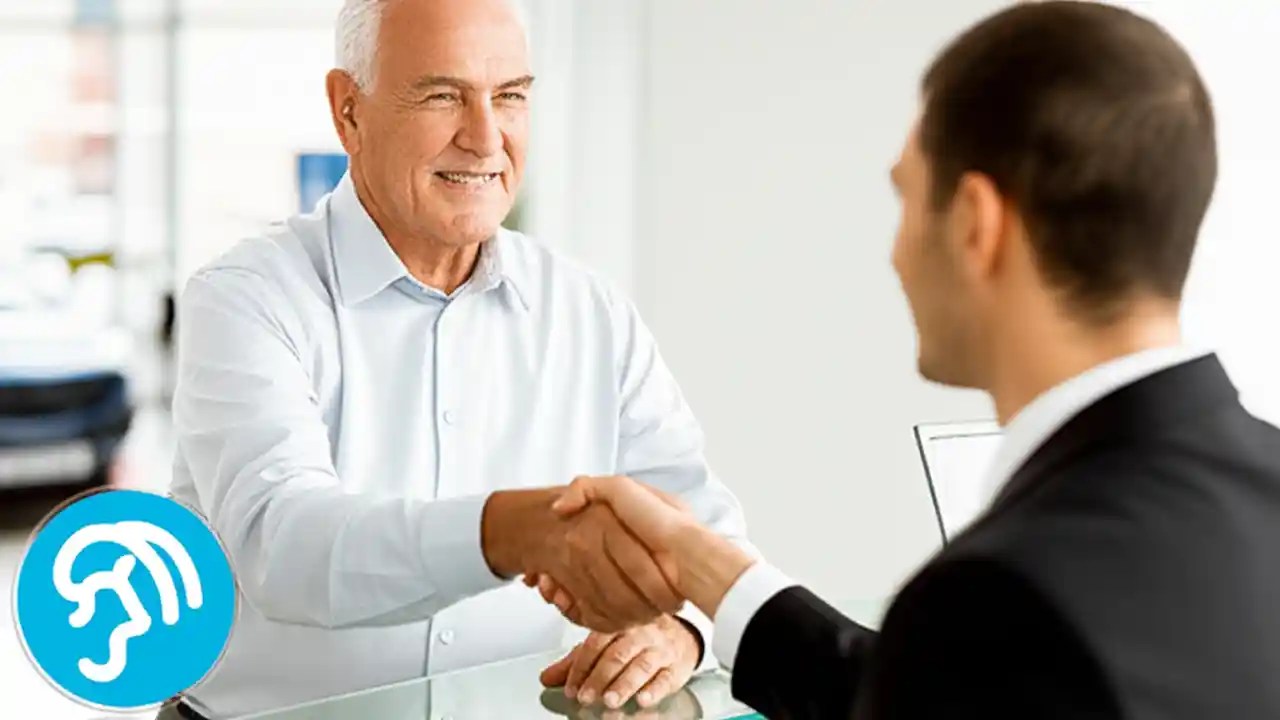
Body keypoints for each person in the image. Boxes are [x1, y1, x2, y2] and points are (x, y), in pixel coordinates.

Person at [536, 3, 1280, 718]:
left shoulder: (998, 594)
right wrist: (702, 565)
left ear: (976, 225)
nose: (896, 254)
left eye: (909, 200)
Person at [166, 0, 750, 717]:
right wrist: (512, 532)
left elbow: (705, 531)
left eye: (510, 97)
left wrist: (682, 630)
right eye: (443, 96)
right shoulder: (246, 298)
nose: (485, 138)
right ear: (349, 111)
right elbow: (284, 548)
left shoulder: (588, 310)